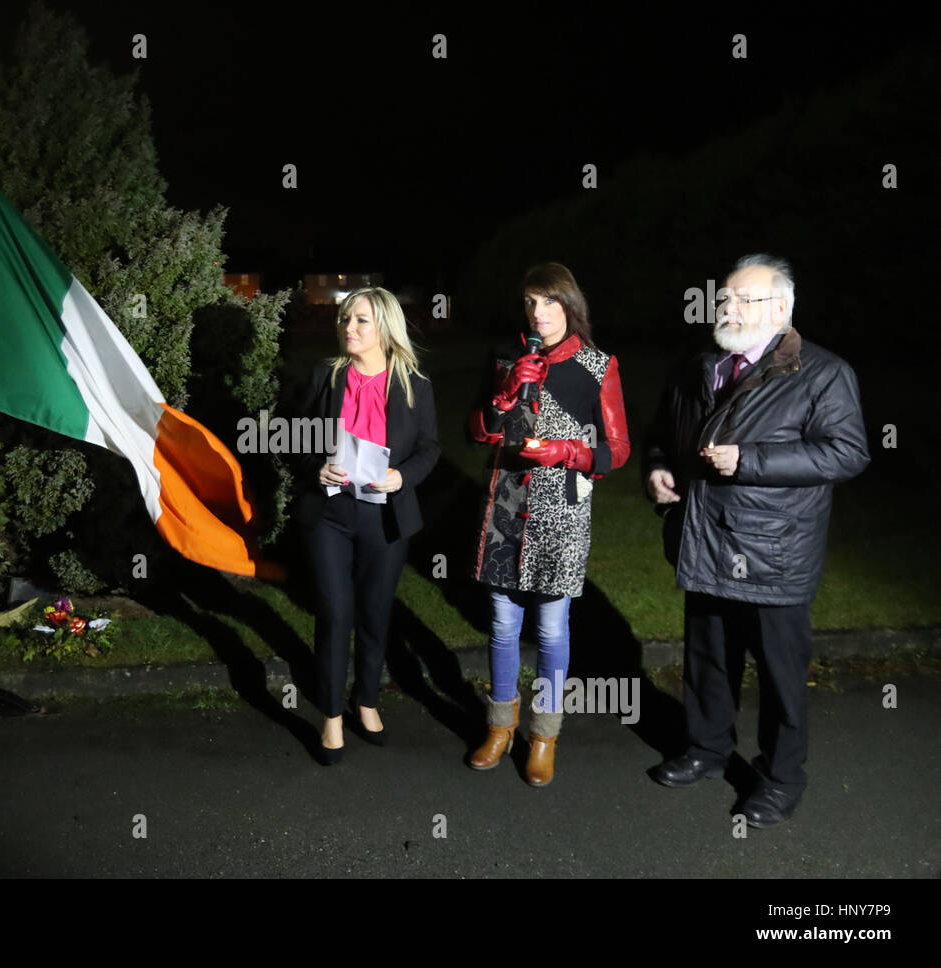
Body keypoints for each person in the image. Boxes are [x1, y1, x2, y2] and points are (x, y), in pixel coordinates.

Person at [643, 253, 869, 827]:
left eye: (742, 298)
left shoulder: (822, 372)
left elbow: (848, 453)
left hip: (774, 552)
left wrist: (751, 460)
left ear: (781, 309)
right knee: (707, 658)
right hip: (705, 539)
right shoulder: (702, 365)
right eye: (724, 297)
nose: (727, 306)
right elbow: (663, 435)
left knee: (779, 674)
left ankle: (781, 778)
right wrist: (659, 470)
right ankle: (707, 747)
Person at [467, 263, 629, 785]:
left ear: (570, 305)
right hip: (507, 507)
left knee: (552, 628)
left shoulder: (598, 365)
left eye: (550, 302)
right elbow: (478, 432)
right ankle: (499, 727)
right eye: (532, 303)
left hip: (562, 507)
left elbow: (618, 449)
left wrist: (571, 451)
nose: (540, 313)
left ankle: (544, 736)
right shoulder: (507, 360)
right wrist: (508, 390)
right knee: (501, 623)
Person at [291, 287, 440, 765]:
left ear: (384, 328)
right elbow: (294, 435)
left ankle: (368, 700)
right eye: (345, 320)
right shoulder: (326, 375)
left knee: (375, 615)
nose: (348, 329)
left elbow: (430, 448)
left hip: (385, 516)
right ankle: (332, 715)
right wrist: (316, 465)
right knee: (335, 613)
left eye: (360, 322)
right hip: (330, 516)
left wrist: (402, 476)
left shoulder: (414, 382)